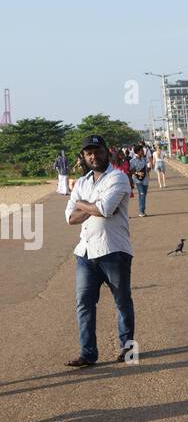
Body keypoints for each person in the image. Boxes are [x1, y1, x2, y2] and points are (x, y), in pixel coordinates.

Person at [64, 134, 136, 367]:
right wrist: (92, 206)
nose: (93, 156)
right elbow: (70, 218)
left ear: (107, 152)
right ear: (84, 157)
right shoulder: (83, 181)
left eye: (97, 151)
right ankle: (88, 353)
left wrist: (83, 203)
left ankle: (128, 349)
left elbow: (105, 209)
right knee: (84, 303)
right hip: (85, 253)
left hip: (114, 250)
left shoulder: (119, 177)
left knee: (122, 301)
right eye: (88, 153)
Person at [129, 143, 150, 217]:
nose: (143, 152)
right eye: (142, 150)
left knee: (144, 195)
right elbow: (130, 171)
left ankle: (143, 210)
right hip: (138, 180)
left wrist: (148, 169)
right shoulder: (132, 161)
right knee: (142, 194)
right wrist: (138, 173)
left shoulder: (144, 159)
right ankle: (141, 211)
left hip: (145, 179)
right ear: (137, 152)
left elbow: (146, 169)